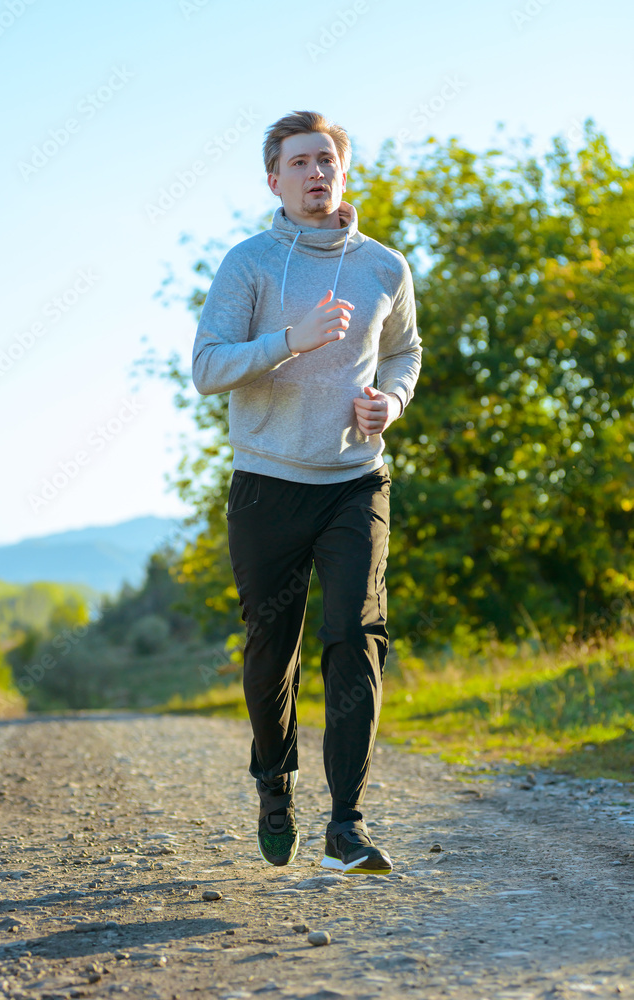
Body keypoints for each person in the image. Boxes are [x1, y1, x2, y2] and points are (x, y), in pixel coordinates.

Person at [191, 110, 422, 875]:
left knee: (356, 635)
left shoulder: (384, 266)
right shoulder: (249, 264)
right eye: (299, 162)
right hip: (268, 482)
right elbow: (207, 368)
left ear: (342, 172)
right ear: (274, 179)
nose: (316, 172)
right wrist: (292, 340)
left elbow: (405, 351)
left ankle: (346, 824)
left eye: (327, 160)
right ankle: (274, 783)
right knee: (271, 650)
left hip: (356, 480)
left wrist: (391, 402)